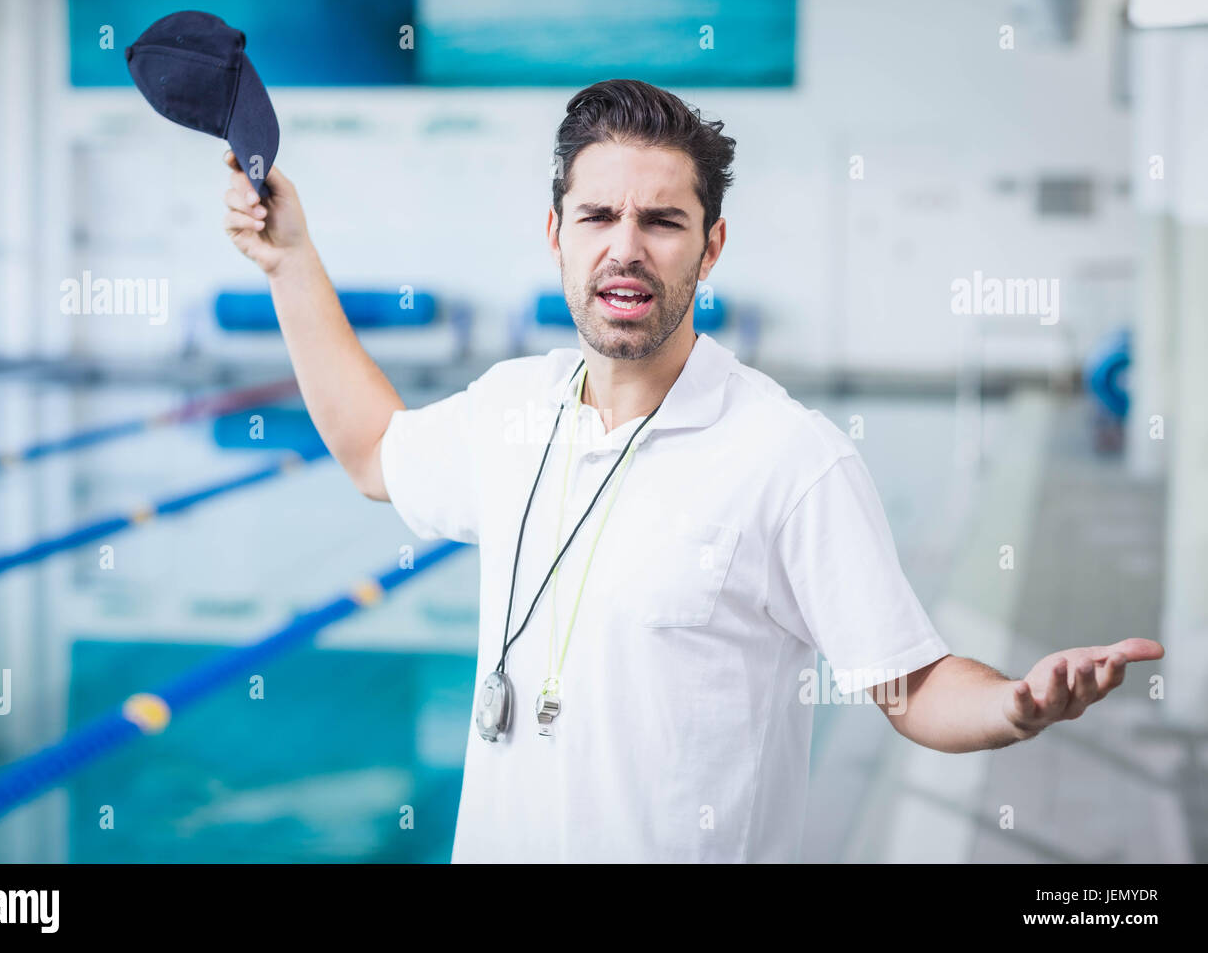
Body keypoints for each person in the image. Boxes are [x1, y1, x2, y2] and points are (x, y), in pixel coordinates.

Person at [219, 78, 1164, 863]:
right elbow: (373, 454)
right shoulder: (512, 410)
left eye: (662, 221)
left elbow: (908, 686)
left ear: (710, 247)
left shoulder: (790, 460)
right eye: (597, 215)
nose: (625, 247)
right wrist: (291, 260)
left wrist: (1014, 704)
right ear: (556, 236)